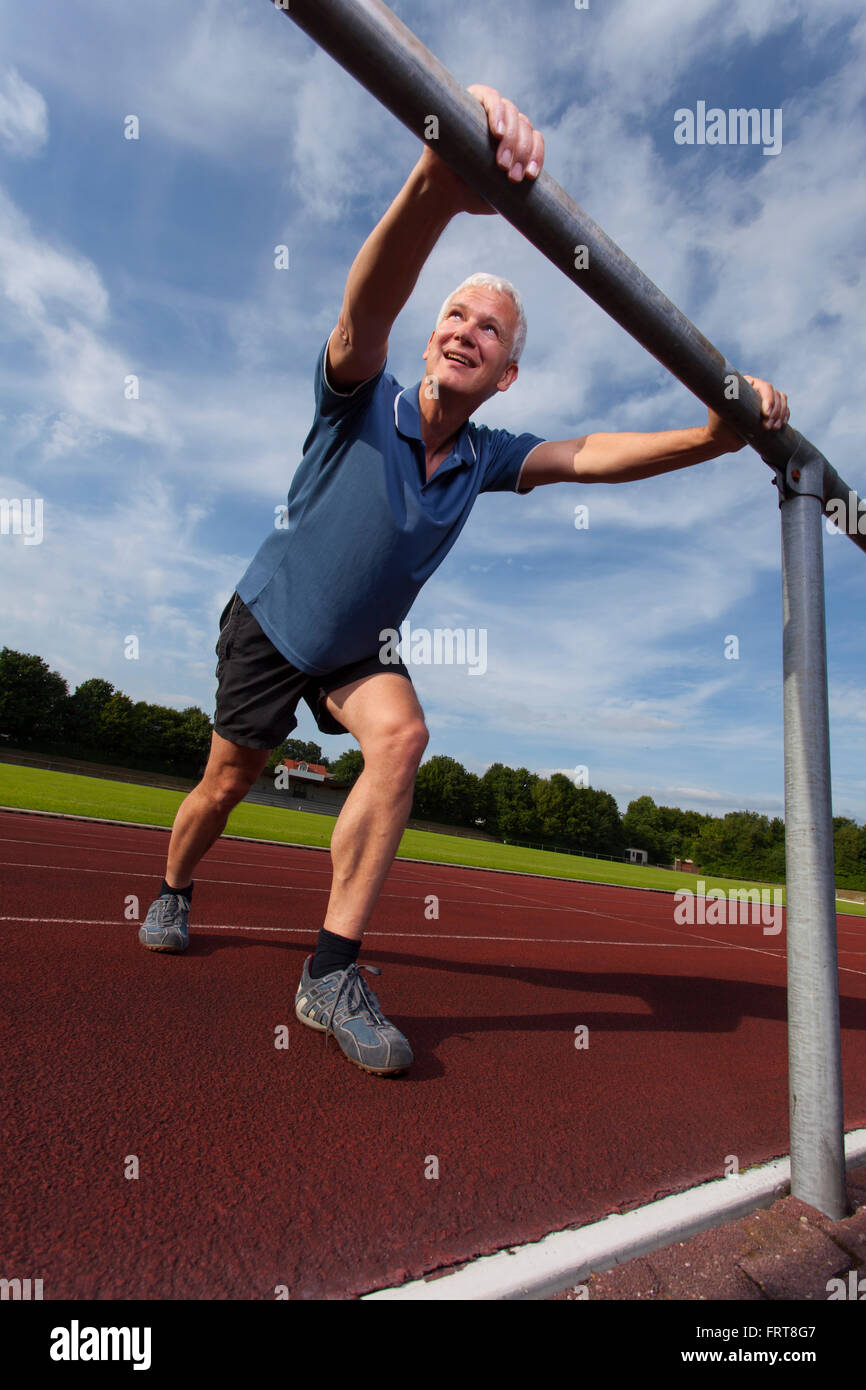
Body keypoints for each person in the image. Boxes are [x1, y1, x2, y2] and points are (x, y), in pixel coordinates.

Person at [138, 84, 789, 1077]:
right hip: (272, 623)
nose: (466, 330)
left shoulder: (485, 456)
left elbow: (594, 455)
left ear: (505, 375)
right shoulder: (358, 404)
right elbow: (367, 306)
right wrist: (436, 186)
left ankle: (327, 974)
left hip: (359, 649)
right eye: (456, 312)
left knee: (402, 736)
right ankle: (176, 884)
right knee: (225, 782)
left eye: (490, 329)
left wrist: (714, 433)